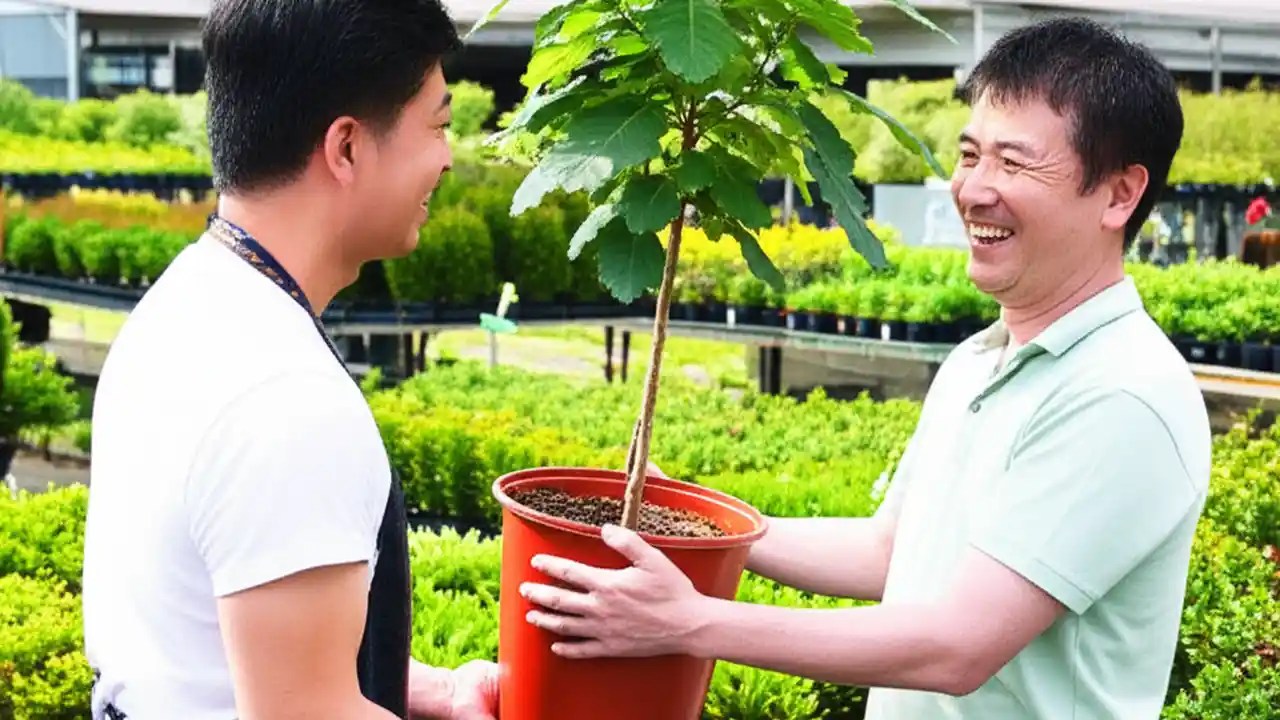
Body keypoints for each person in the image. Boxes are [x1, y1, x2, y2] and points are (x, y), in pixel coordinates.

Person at [520, 17, 1211, 719]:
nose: (973, 189)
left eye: (1014, 162)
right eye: (970, 155)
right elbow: (890, 552)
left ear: (1120, 195)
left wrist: (691, 621)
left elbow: (958, 647)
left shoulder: (1121, 393)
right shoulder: (980, 360)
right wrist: (695, 519)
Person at [81, 1, 498, 718]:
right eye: (439, 125)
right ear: (346, 148)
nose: (448, 157)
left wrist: (433, 689)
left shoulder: (189, 301)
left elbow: (211, 644)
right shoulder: (289, 404)